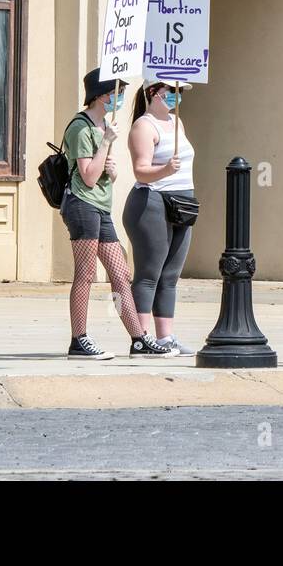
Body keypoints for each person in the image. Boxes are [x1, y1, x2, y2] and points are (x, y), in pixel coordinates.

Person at [60, 70, 175, 359]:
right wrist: (105, 144)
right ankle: (79, 339)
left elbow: (99, 175)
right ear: (101, 95)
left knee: (121, 274)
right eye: (116, 92)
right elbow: (87, 177)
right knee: (85, 274)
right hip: (82, 206)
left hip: (100, 207)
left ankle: (138, 338)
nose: (120, 97)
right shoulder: (80, 127)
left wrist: (111, 173)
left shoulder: (101, 126)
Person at [124, 79, 198, 356]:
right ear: (153, 93)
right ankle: (141, 337)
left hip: (182, 203)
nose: (177, 97)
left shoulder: (177, 123)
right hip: (152, 202)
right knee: (149, 273)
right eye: (172, 91)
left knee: (170, 274)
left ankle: (165, 336)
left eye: (179, 92)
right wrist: (165, 169)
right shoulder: (143, 126)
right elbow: (141, 170)